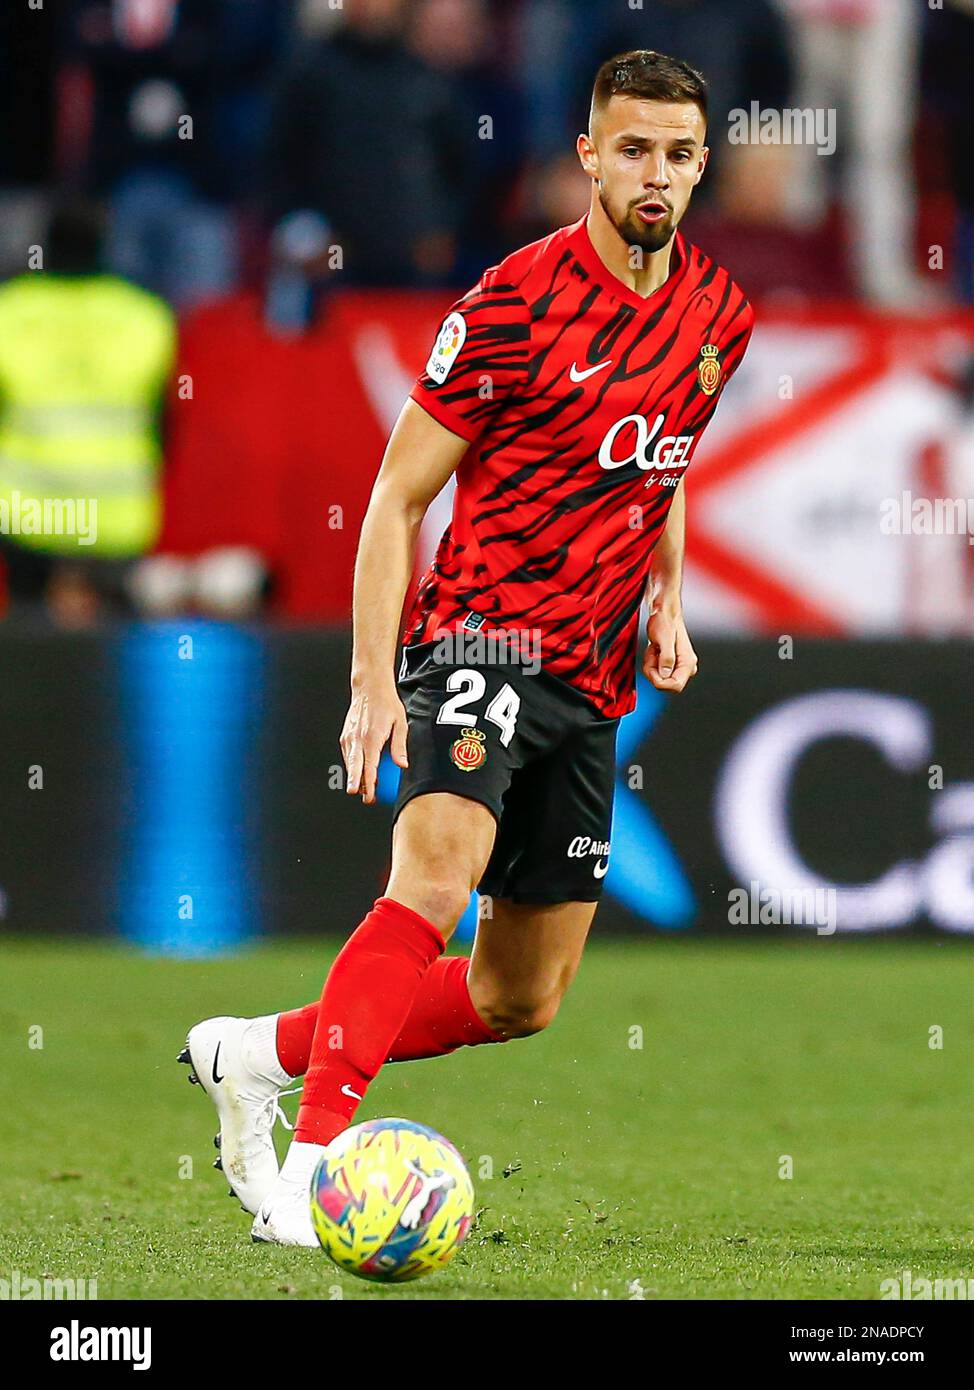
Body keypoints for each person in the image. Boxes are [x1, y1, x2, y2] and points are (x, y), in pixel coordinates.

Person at [180, 49, 754, 1245]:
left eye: (678, 153)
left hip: (591, 673)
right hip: (480, 638)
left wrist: (667, 599)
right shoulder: (509, 304)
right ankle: (313, 1167)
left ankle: (257, 1055)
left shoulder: (715, 315)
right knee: (430, 890)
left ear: (702, 166)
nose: (654, 174)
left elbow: (667, 460)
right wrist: (371, 682)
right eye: (632, 148)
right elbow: (394, 500)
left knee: (519, 995)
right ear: (588, 157)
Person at [0, 202, 175, 625]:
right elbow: (166, 426)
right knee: (110, 666)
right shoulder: (145, 315)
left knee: (30, 662)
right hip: (115, 522)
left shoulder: (10, 311)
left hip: (28, 521)